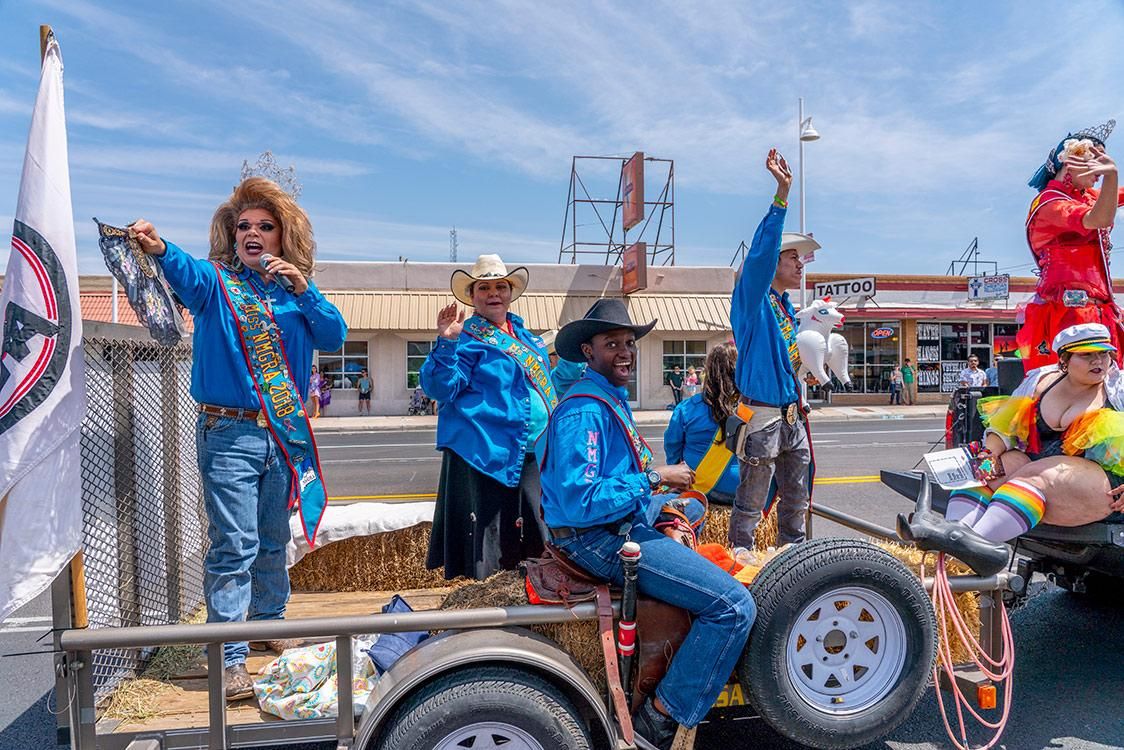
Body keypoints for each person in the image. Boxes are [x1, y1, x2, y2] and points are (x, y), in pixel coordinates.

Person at [130, 177, 347, 700]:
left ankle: (268, 623)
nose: (252, 233)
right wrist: (160, 248)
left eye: (264, 227)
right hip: (228, 431)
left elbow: (334, 335)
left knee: (273, 537)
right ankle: (229, 654)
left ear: (283, 236)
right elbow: (182, 270)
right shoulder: (214, 284)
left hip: (281, 431)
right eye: (242, 226)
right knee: (235, 546)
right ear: (231, 235)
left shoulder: (295, 293)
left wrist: (304, 288)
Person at [539, 299, 755, 750]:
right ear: (588, 351)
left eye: (629, 343)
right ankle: (660, 718)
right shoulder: (585, 412)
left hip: (609, 526)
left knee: (691, 507)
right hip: (598, 539)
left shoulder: (605, 398)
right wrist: (656, 478)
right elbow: (581, 501)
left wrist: (659, 500)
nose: (624, 351)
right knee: (734, 606)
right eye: (611, 343)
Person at [903, 324, 1124, 575]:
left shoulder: (1119, 388)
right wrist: (988, 455)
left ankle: (967, 550)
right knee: (983, 472)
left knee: (1039, 475)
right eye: (1087, 355)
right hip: (1038, 465)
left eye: (1104, 353)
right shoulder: (1040, 381)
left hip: (1104, 484)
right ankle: (954, 532)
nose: (1099, 361)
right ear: (1065, 359)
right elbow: (1007, 428)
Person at [420, 254, 553, 580]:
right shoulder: (464, 337)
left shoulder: (525, 335)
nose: (494, 293)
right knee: (489, 543)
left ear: (510, 292)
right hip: (484, 451)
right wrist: (447, 343)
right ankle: (488, 610)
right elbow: (440, 388)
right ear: (473, 295)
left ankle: (534, 591)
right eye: (484, 287)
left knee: (537, 529)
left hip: (533, 449)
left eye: (500, 286)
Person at [728, 149, 817, 548]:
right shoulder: (753, 299)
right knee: (752, 497)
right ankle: (741, 554)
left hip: (790, 413)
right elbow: (760, 255)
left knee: (796, 495)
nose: (800, 265)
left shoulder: (784, 307)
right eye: (792, 257)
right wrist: (781, 195)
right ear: (772, 263)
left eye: (801, 259)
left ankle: (792, 555)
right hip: (762, 414)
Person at [1018, 120, 1124, 370]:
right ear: (1072, 162)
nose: (1099, 173)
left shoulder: (1085, 197)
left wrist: (1111, 178)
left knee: (1107, 389)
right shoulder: (1049, 204)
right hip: (1068, 312)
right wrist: (1112, 175)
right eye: (1096, 163)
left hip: (1098, 311)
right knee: (1073, 387)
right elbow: (1099, 218)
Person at [663, 343, 741, 505]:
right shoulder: (751, 408)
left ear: (709, 372)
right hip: (742, 490)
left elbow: (673, 450)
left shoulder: (686, 408)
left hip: (698, 490)